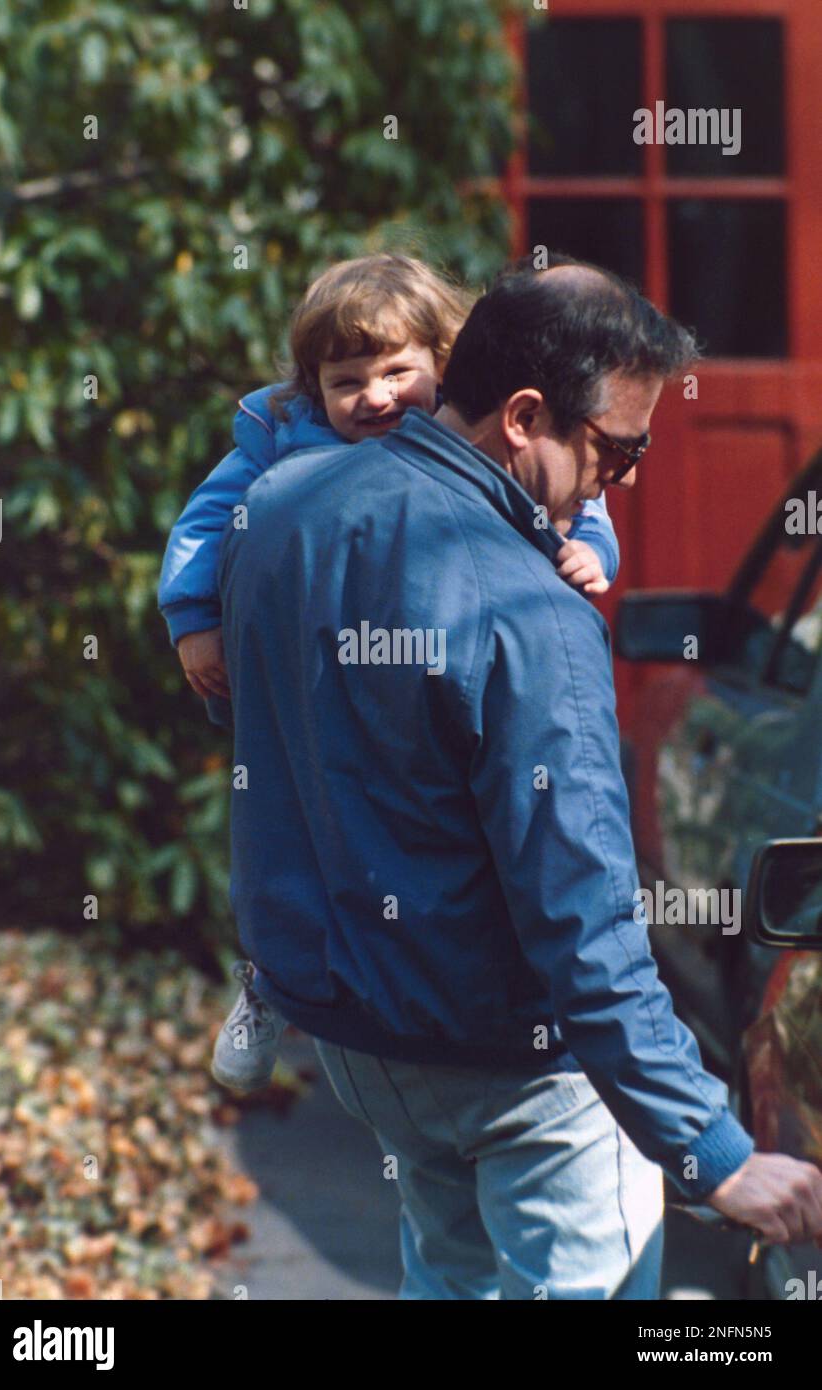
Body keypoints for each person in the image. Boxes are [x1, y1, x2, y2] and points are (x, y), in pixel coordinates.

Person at [216, 252, 822, 1299]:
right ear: (524, 415)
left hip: (359, 1038)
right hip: (515, 1058)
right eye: (616, 452)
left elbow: (273, 740)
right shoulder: (532, 612)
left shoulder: (278, 511)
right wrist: (712, 1153)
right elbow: (583, 922)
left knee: (448, 1275)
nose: (617, 484)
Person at [157, 253, 619, 1093]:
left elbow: (576, 494)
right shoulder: (281, 435)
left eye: (395, 372)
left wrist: (590, 554)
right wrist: (194, 620)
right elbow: (203, 520)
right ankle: (269, 979)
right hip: (314, 664)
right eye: (346, 381)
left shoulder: (483, 437)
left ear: (441, 364)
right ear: (311, 389)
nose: (372, 397)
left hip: (414, 663)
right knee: (283, 829)